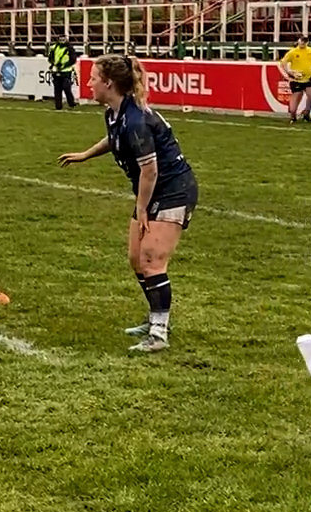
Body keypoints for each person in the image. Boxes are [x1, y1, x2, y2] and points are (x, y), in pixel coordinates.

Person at [58, 53, 198, 353]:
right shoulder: (115, 112)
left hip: (173, 190)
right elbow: (114, 138)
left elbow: (150, 170)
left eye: (93, 78)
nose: (89, 83)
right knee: (136, 259)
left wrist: (142, 208)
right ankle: (154, 319)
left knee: (151, 260)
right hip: (152, 191)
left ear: (108, 83)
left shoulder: (136, 120)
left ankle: (159, 333)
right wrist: (85, 154)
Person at [280, 36, 311, 123]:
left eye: (304, 42)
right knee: (295, 101)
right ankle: (293, 116)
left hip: (308, 78)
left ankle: (306, 113)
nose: (302, 44)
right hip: (297, 80)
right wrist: (290, 73)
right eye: (301, 42)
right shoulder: (293, 52)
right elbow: (283, 63)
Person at [46, 37, 78, 110]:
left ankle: (71, 103)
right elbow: (50, 58)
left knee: (67, 88)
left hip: (66, 71)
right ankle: (58, 106)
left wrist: (64, 65)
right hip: (56, 71)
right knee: (57, 89)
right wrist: (54, 64)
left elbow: (73, 59)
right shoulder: (54, 47)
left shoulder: (69, 48)